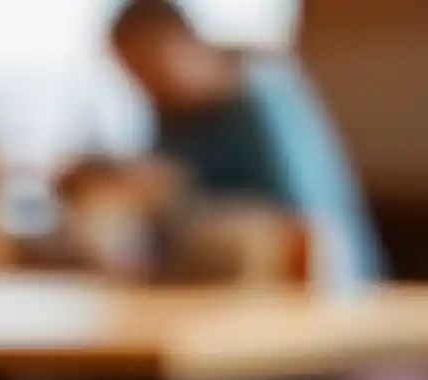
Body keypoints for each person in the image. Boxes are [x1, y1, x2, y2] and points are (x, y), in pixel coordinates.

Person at [111, 0, 383, 288]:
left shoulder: (262, 96)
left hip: (326, 282)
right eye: (134, 75)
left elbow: (302, 220)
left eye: (148, 66)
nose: (145, 84)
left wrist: (180, 197)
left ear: (180, 43)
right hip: (222, 288)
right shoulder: (169, 114)